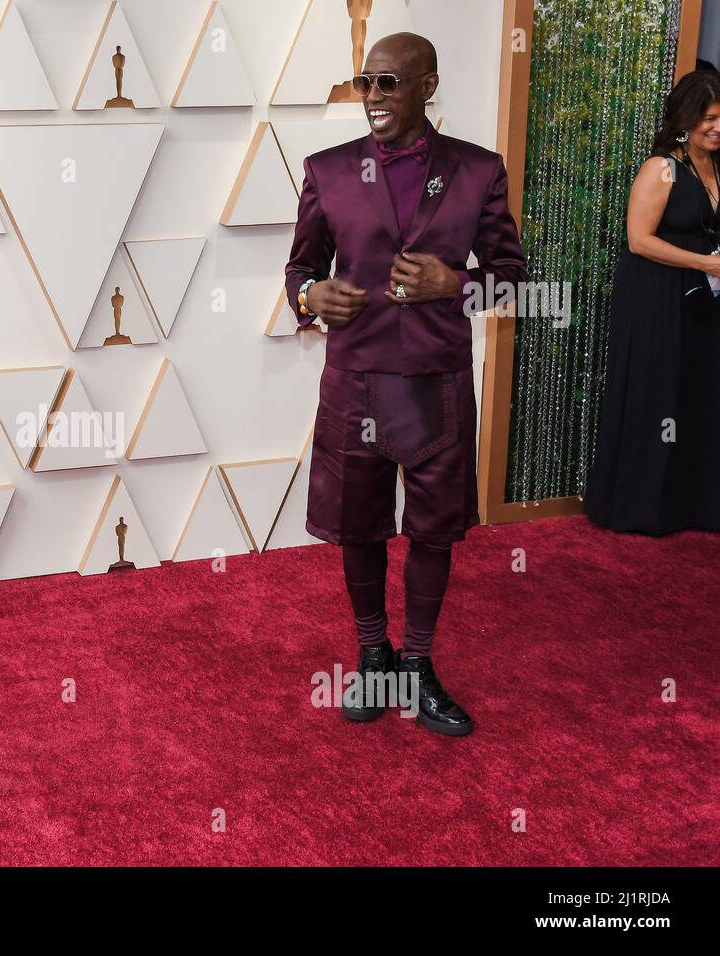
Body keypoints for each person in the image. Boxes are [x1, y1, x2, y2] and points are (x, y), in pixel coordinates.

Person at [284, 33, 528, 736]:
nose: (375, 98)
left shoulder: (479, 171)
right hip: (353, 384)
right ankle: (372, 653)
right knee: (357, 527)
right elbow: (301, 269)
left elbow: (512, 279)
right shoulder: (327, 170)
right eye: (366, 84)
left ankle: (417, 665)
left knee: (433, 532)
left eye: (389, 83)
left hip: (436, 388)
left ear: (429, 86)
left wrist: (461, 283)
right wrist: (309, 299)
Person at [584, 69, 720, 535]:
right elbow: (638, 241)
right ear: (684, 120)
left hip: (701, 303)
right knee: (657, 394)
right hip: (656, 298)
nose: (716, 127)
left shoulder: (717, 166)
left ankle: (692, 507)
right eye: (708, 118)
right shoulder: (661, 168)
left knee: (696, 395)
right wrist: (708, 264)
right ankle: (641, 507)